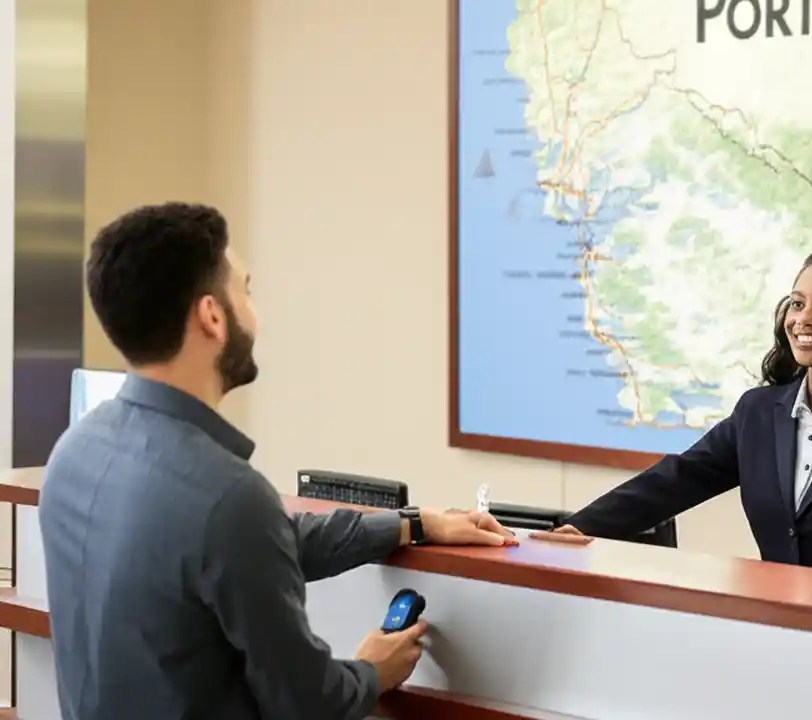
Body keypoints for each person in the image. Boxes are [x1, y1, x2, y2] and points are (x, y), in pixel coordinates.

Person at [38, 202, 517, 720]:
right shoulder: (227, 498)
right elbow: (307, 701)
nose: (255, 310)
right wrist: (371, 671)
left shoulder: (73, 454)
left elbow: (259, 544)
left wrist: (413, 524)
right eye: (246, 288)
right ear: (212, 316)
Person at [556, 243, 812, 585]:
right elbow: (677, 479)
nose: (805, 318)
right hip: (774, 635)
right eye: (798, 303)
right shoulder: (759, 413)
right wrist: (576, 529)